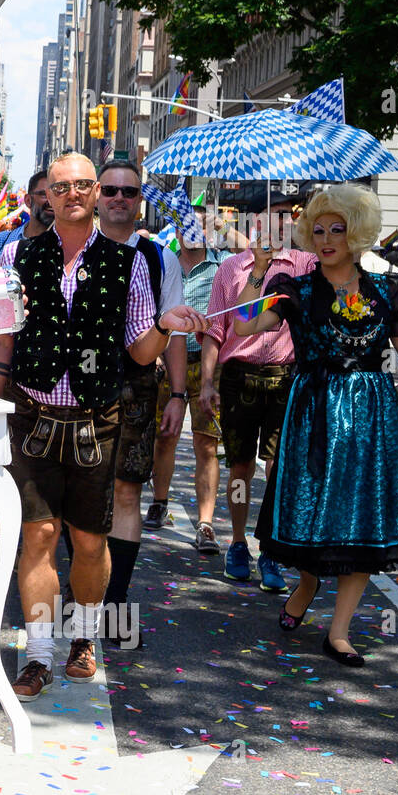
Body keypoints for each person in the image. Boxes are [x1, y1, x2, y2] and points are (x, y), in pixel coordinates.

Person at [0, 152, 206, 699]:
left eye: (85, 184)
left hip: (95, 418)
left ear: (97, 191)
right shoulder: (18, 256)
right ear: (47, 195)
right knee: (37, 534)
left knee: (87, 539)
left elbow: (138, 348)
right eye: (63, 186)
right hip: (32, 413)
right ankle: (38, 653)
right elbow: (2, 339)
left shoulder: (128, 263)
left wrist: (164, 326)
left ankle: (83, 636)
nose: (74, 193)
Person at [241, 185, 398, 665]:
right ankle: (306, 586)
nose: (328, 238)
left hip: (372, 417)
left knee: (366, 524)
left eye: (339, 229)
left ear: (358, 233)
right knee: (313, 519)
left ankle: (339, 632)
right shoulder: (294, 288)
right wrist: (262, 269)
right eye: (320, 229)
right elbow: (244, 325)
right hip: (313, 414)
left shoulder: (387, 290)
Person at [200, 198, 317, 592]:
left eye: (284, 221)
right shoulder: (232, 268)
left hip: (286, 378)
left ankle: (270, 548)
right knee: (241, 468)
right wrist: (207, 383)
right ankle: (236, 542)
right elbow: (220, 329)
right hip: (239, 378)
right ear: (254, 224)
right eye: (268, 220)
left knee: (278, 468)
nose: (275, 227)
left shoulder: (303, 265)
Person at [94, 161, 185, 648]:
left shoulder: (158, 257)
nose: (119, 198)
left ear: (140, 199)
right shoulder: (76, 247)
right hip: (77, 389)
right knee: (82, 493)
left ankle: (114, 603)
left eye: (129, 191)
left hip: (135, 387)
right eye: (110, 189)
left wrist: (177, 394)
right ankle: (82, 592)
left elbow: (171, 335)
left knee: (127, 493)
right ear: (96, 195)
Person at [147, 205, 227, 553]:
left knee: (206, 444)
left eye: (198, 225)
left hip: (210, 364)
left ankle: (206, 523)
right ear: (175, 230)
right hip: (168, 360)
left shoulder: (224, 265)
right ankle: (160, 503)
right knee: (164, 436)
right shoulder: (164, 261)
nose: (191, 231)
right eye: (184, 225)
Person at [0, 169, 53, 255]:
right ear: (28, 200)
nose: (52, 201)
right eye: (44, 195)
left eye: (57, 195)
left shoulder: (69, 246)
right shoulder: (1, 241)